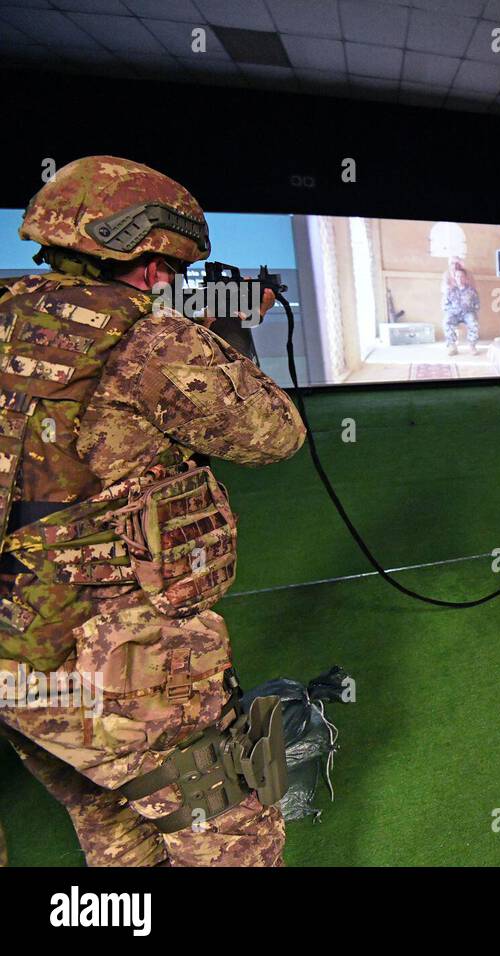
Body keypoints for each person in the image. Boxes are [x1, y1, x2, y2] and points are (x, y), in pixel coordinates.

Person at [0, 156, 306, 866]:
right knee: (232, 832)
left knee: (106, 816)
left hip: (18, 659)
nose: (165, 279)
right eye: (160, 265)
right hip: (117, 665)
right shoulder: (151, 338)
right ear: (133, 252)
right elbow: (276, 435)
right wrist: (220, 334)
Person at [442, 257, 480, 356]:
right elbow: (445, 305)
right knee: (447, 321)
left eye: (461, 276)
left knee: (473, 322)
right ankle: (452, 346)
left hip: (467, 313)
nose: (459, 278)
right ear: (455, 278)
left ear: (465, 278)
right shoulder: (451, 290)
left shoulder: (471, 291)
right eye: (457, 277)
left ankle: (472, 346)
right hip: (454, 313)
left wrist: (472, 311)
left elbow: (477, 303)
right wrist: (452, 311)